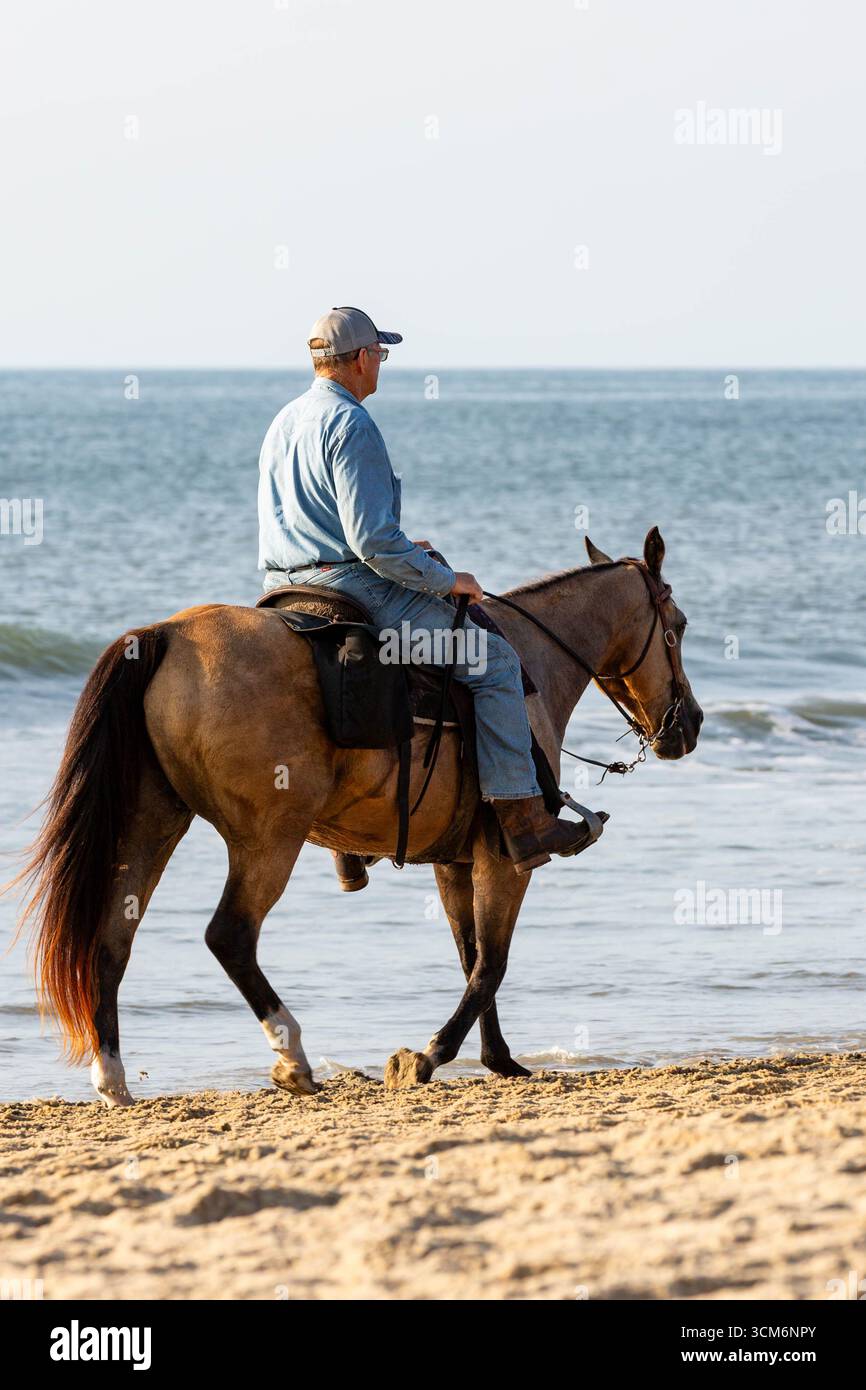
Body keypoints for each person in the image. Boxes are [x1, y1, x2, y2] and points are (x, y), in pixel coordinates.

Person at [257, 305, 589, 872]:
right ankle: (522, 819)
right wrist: (443, 577)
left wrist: (410, 548)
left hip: (281, 589)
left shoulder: (284, 420)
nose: (381, 365)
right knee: (493, 661)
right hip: (352, 589)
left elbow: (328, 524)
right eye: (380, 355)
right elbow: (372, 544)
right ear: (361, 359)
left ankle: (350, 841)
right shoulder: (352, 423)